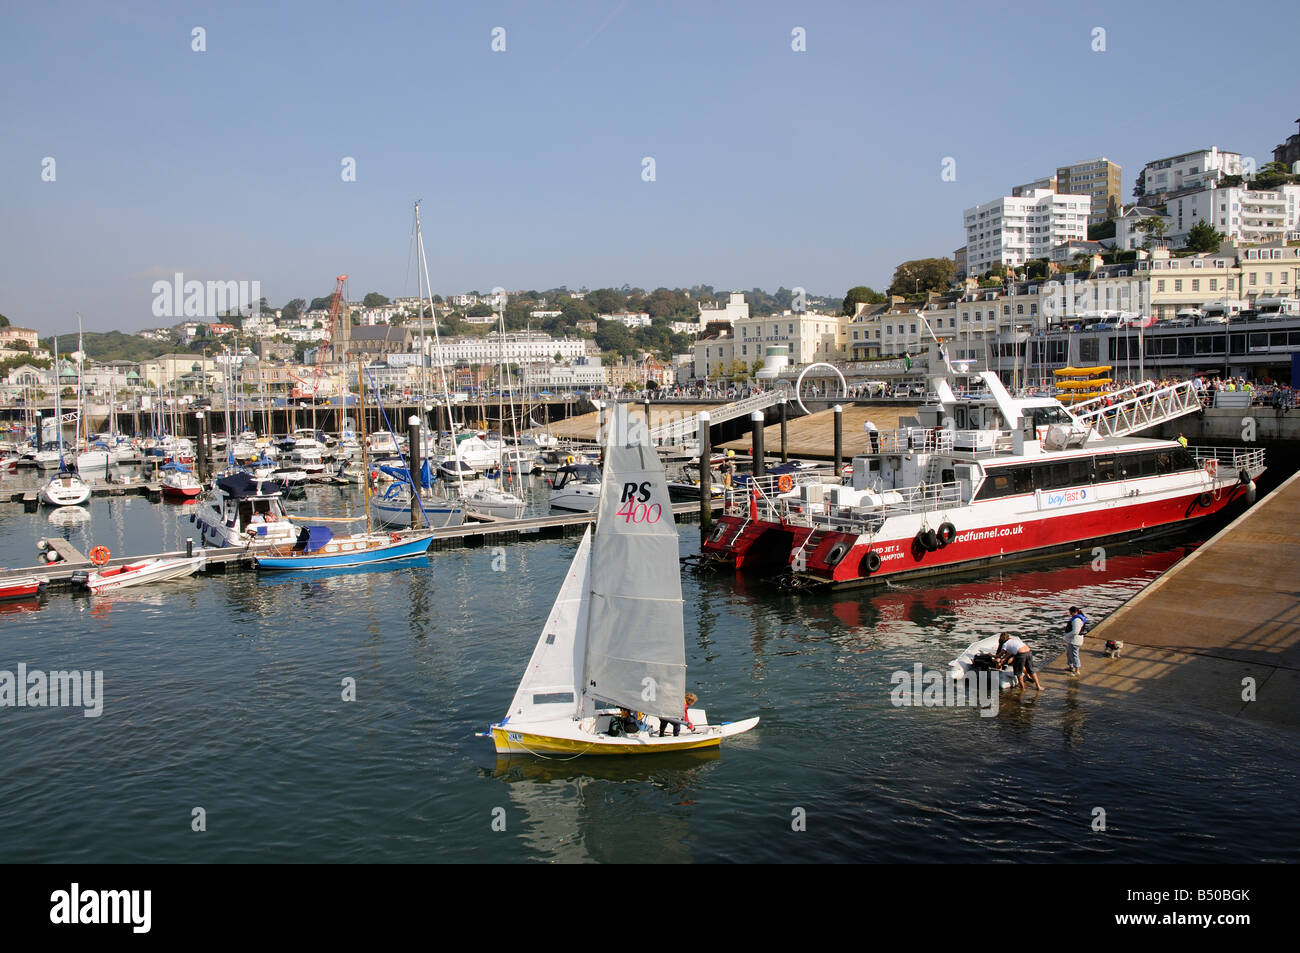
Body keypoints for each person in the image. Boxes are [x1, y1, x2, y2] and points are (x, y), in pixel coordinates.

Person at [1065, 605, 1088, 676]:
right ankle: (1071, 666)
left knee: (1074, 655)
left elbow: (1076, 631)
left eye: (1071, 613)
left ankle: (1077, 670)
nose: (1070, 614)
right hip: (1072, 640)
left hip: (1075, 641)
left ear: (1074, 612)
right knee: (1069, 653)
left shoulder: (1076, 620)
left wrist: (1067, 636)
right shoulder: (1077, 618)